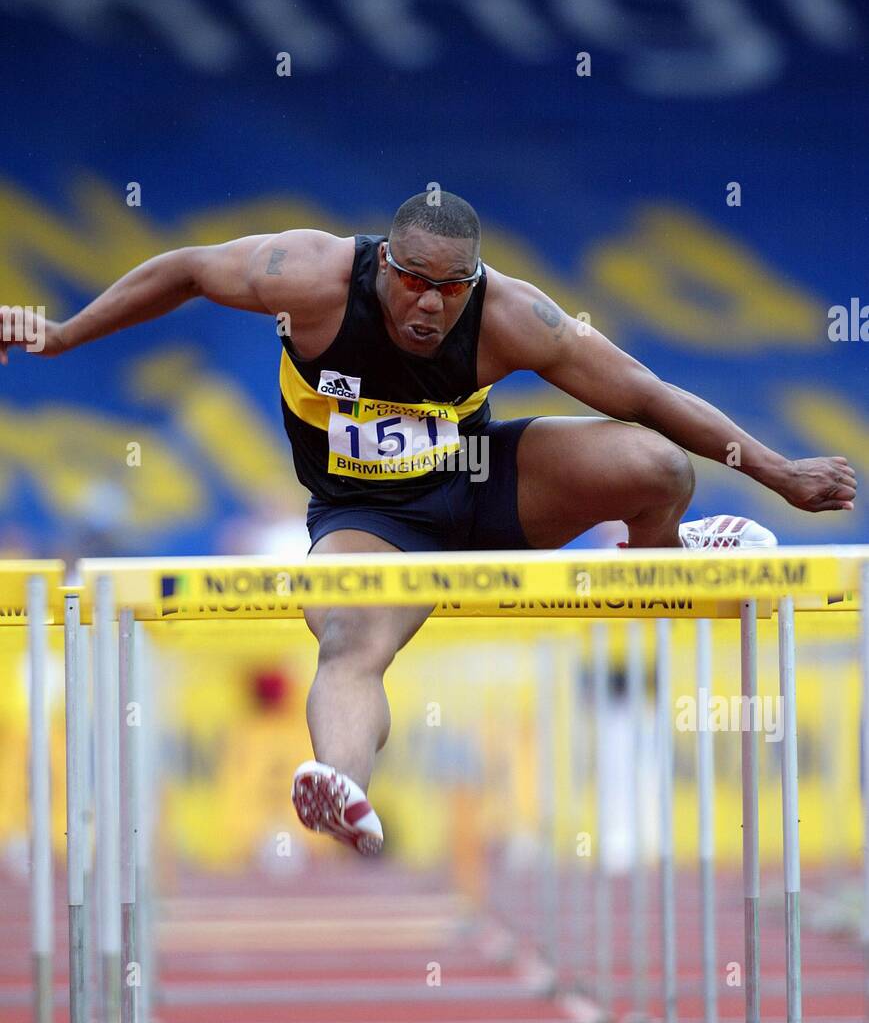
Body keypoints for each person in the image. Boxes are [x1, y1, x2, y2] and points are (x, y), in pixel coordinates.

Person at [2, 191, 857, 855]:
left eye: (450, 290)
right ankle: (339, 783)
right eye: (411, 280)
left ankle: (665, 559)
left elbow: (647, 394)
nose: (428, 306)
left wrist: (779, 473)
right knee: (346, 639)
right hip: (369, 518)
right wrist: (68, 336)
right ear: (382, 265)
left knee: (655, 464)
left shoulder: (516, 316)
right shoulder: (308, 276)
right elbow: (186, 268)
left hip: (482, 482)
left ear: (474, 283)